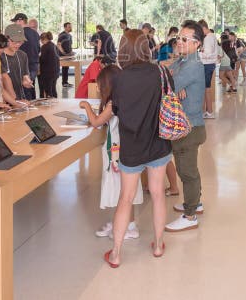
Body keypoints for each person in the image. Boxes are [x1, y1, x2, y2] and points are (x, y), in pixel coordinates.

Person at [104, 29, 171, 267]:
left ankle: (116, 253)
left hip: (131, 146)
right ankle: (159, 245)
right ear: (146, 47)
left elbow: (117, 110)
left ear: (123, 49)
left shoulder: (120, 78)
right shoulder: (161, 72)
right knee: (157, 194)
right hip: (159, 143)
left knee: (126, 198)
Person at [79, 65, 142, 241]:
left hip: (118, 152)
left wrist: (86, 106)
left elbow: (96, 122)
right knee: (122, 190)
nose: (97, 87)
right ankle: (120, 222)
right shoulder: (125, 98)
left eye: (99, 84)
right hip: (121, 150)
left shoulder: (113, 103)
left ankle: (128, 226)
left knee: (122, 190)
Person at [166, 21, 207, 232]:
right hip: (186, 125)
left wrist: (174, 85)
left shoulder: (192, 65)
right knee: (188, 169)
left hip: (189, 127)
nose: (179, 42)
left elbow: (166, 84)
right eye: (178, 39)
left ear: (197, 44)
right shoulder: (183, 61)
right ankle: (195, 202)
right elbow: (166, 73)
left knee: (187, 171)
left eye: (184, 39)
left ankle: (190, 215)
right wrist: (174, 85)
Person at [0, 24, 32, 103]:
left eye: (21, 41)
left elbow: (25, 74)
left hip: (20, 98)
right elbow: (3, 79)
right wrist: (15, 101)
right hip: (3, 101)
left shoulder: (22, 55)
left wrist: (27, 80)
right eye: (14, 41)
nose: (18, 44)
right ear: (6, 39)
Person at [12, 13, 40, 100]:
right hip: (34, 65)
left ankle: (27, 111)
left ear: (20, 21)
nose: (14, 24)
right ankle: (33, 108)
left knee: (24, 90)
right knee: (31, 87)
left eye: (15, 22)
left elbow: (15, 50)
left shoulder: (19, 33)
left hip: (23, 66)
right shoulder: (35, 33)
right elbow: (38, 49)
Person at [198, 20, 218, 119]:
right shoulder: (211, 36)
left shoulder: (208, 38)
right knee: (206, 89)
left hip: (207, 65)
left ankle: (209, 112)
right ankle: (208, 111)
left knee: (206, 89)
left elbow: (208, 54)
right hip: (209, 65)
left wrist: (197, 54)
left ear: (203, 28)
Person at [38, 32, 60, 98]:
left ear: (43, 39)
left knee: (48, 91)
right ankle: (56, 103)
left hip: (47, 72)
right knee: (53, 89)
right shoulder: (54, 45)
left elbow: (43, 59)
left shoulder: (44, 47)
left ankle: (49, 106)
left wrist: (38, 58)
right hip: (55, 71)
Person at [57, 22, 74, 88]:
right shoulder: (62, 35)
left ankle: (65, 82)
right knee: (64, 68)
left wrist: (71, 52)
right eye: (69, 27)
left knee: (66, 68)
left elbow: (70, 45)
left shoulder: (69, 35)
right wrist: (63, 52)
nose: (70, 28)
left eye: (71, 26)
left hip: (68, 55)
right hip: (63, 55)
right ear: (65, 27)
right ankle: (64, 82)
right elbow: (58, 44)